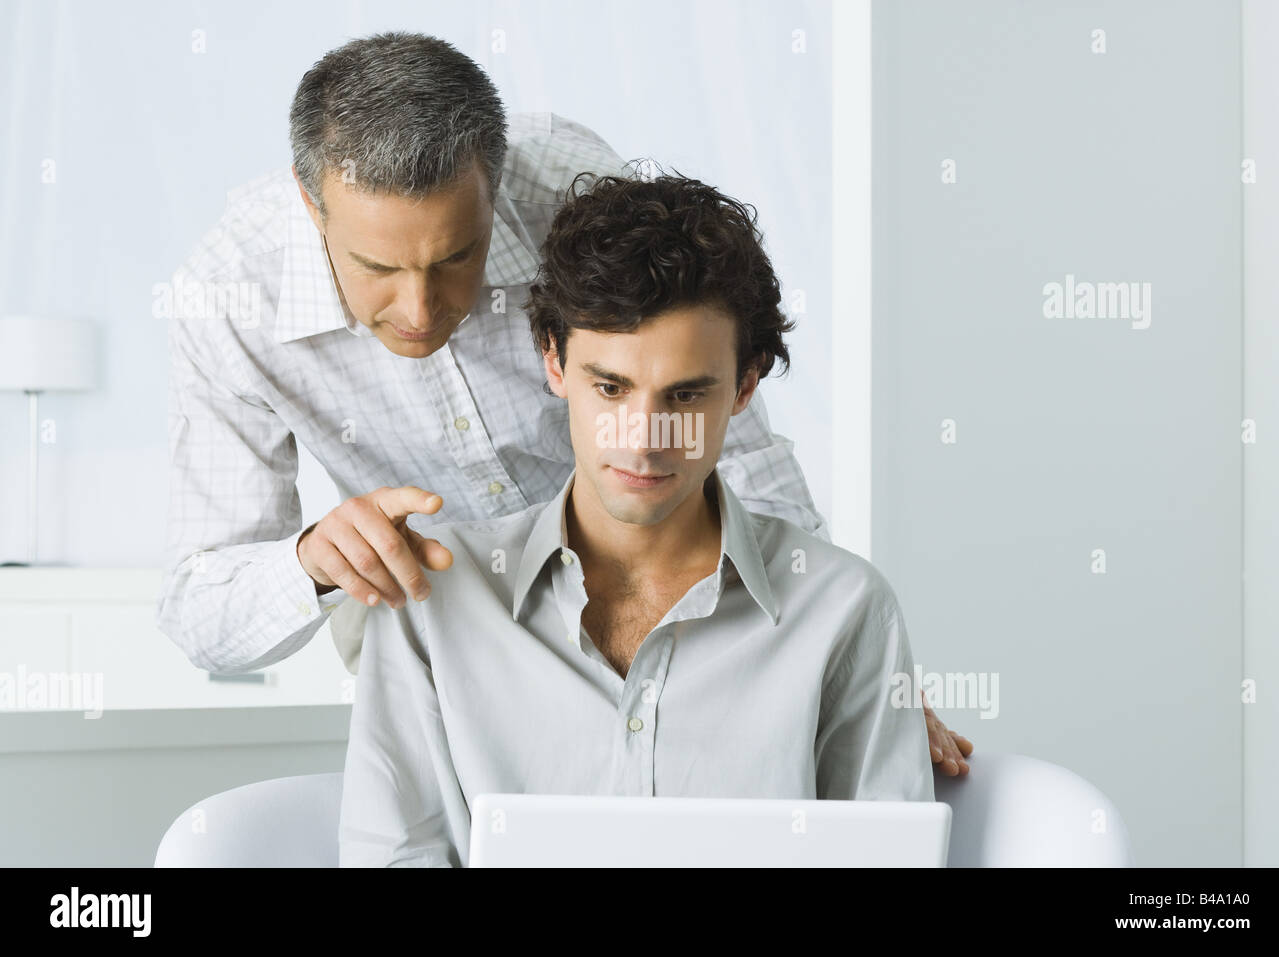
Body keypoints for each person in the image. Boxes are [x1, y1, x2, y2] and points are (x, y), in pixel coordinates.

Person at [155, 30, 972, 776]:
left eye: (456, 257)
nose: (419, 309)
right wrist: (309, 562)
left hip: (644, 565)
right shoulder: (227, 296)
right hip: (425, 600)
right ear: (312, 204)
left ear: (497, 184)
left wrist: (845, 669)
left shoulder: (569, 191)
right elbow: (201, 612)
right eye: (376, 267)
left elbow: (724, 423)